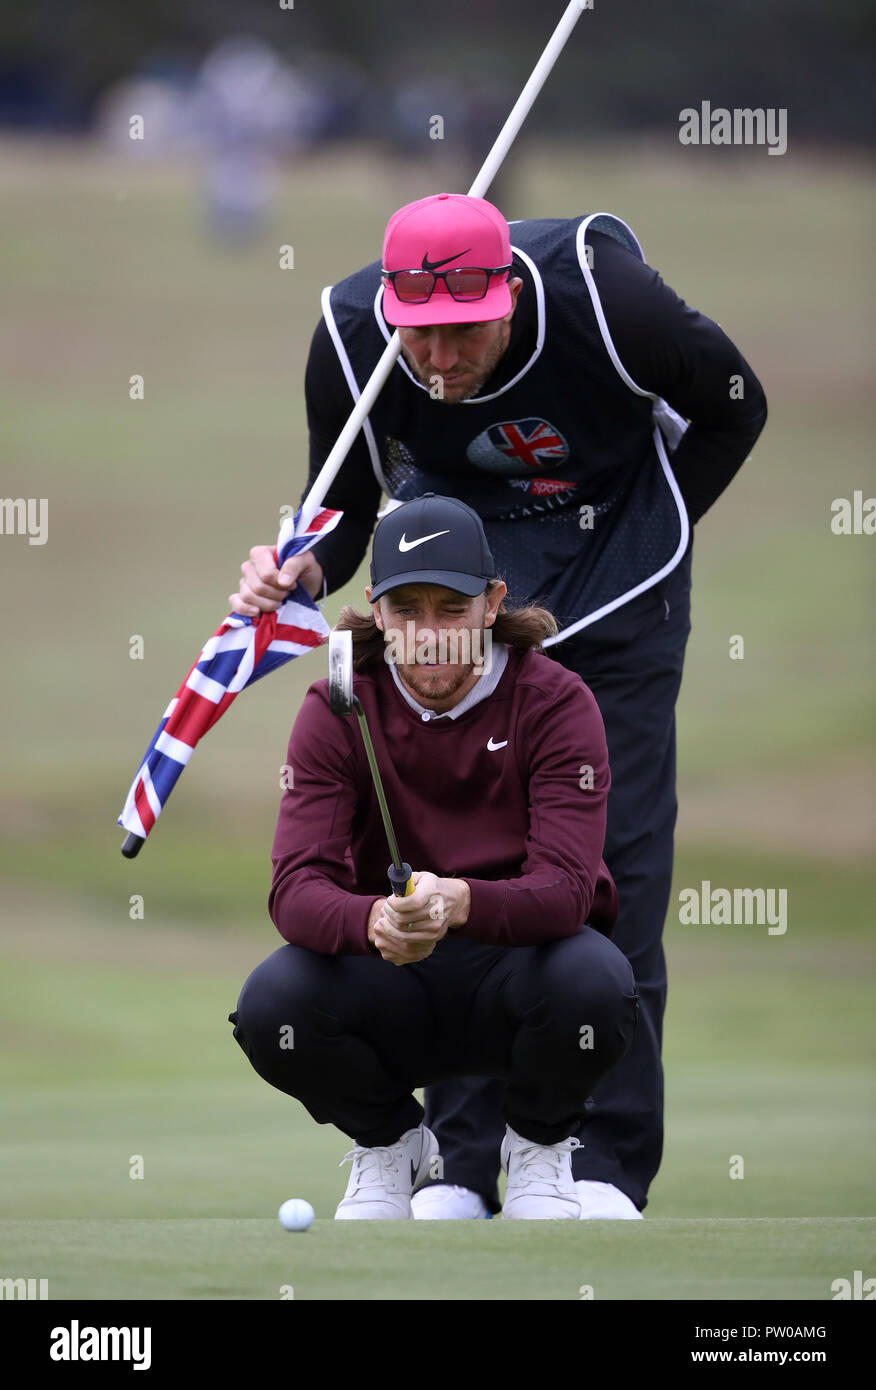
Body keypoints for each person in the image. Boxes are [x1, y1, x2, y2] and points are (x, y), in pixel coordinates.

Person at [230, 193, 768, 1219]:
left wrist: (635, 535)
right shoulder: (355, 335)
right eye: (419, 339)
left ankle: (594, 1162)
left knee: (619, 879)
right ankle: (461, 1166)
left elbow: (738, 404)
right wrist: (301, 571)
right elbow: (338, 511)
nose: (438, 364)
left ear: (509, 295)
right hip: (452, 589)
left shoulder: (613, 303)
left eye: (462, 335)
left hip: (620, 592)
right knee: (453, 861)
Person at [229, 493, 638, 1220]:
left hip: (519, 981)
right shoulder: (338, 706)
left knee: (597, 981)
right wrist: (373, 922)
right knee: (272, 1005)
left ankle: (539, 1148)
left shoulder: (554, 701)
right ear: (376, 614)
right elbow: (295, 890)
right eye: (407, 609)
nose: (429, 634)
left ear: (492, 604)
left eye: (451, 608)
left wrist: (460, 901)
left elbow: (569, 890)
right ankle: (389, 1143)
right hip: (390, 984)